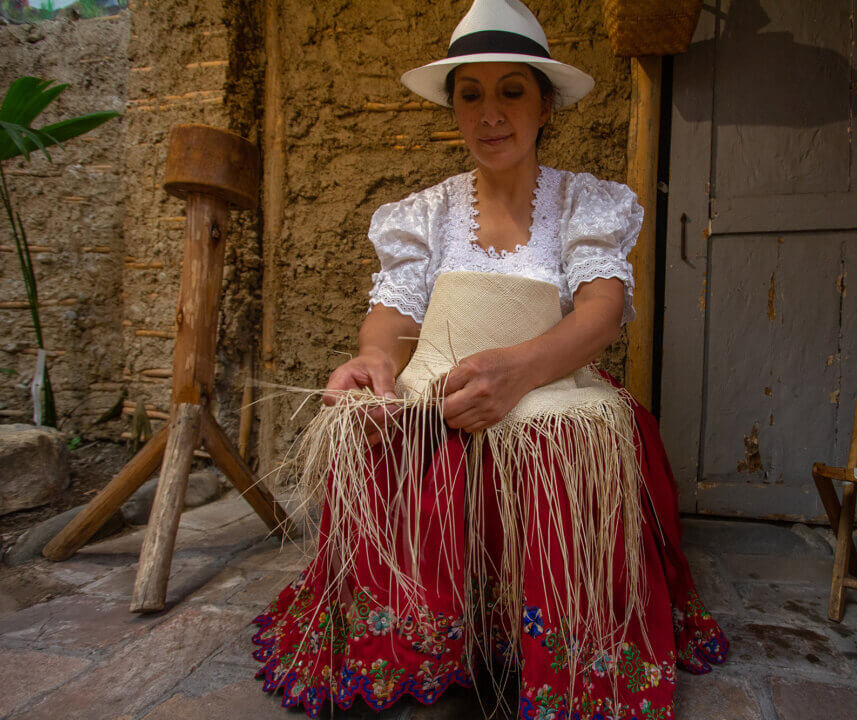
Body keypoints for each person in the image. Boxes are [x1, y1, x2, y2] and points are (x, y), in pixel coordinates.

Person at [250, 1, 727, 718]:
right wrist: (374, 360)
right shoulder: (425, 213)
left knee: (571, 437)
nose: (490, 113)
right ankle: (432, 625)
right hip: (443, 381)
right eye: (470, 94)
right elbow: (395, 312)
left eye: (511, 91)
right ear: (454, 109)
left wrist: (519, 372)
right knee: (381, 425)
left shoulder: (584, 204)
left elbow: (600, 314)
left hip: (546, 376)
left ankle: (534, 633)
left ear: (544, 107)